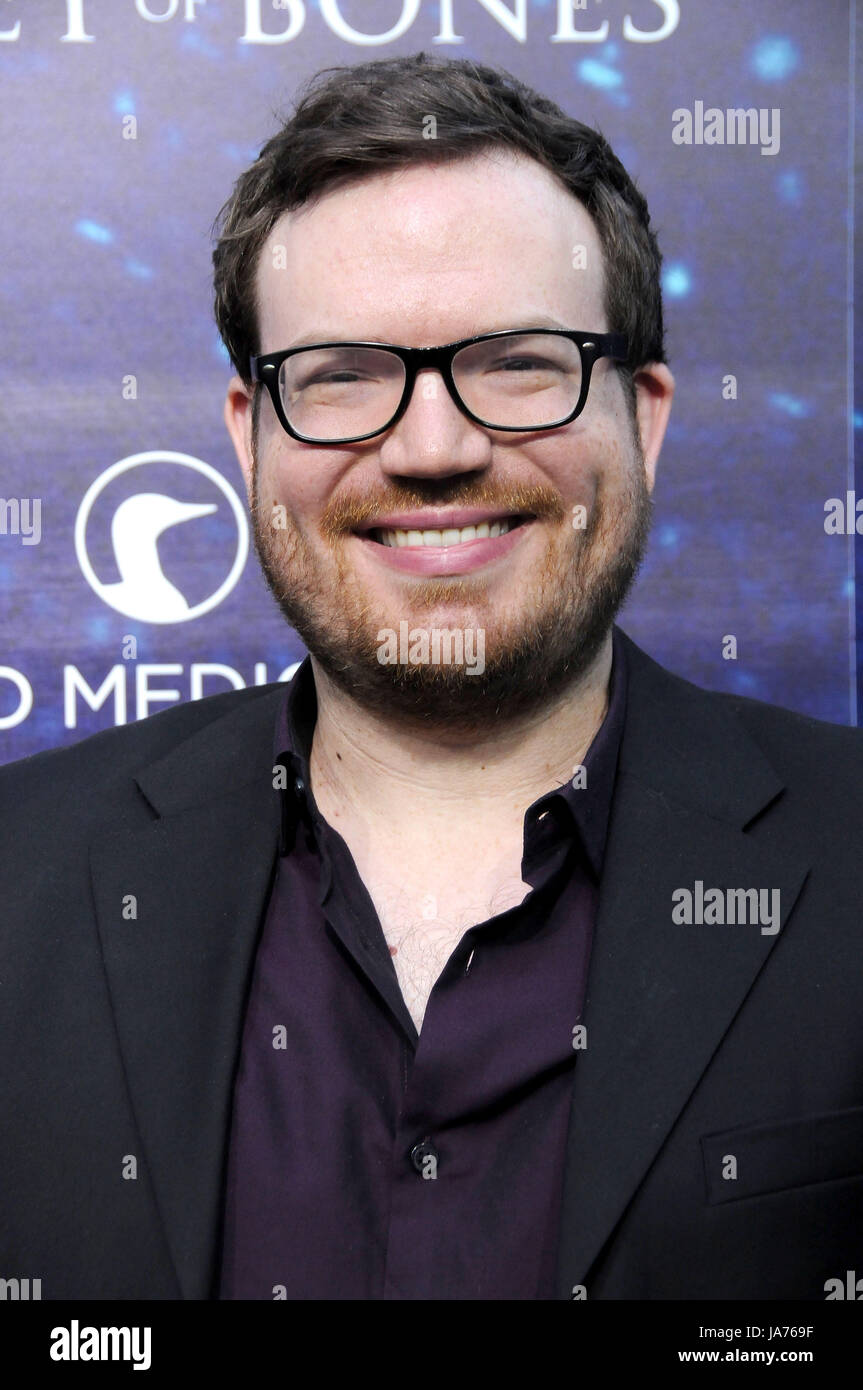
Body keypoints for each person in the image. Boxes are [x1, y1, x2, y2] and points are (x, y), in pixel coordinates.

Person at [1, 52, 861, 1303]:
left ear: (647, 415)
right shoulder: (17, 877)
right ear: (251, 437)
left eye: (517, 360)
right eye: (343, 374)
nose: (433, 447)